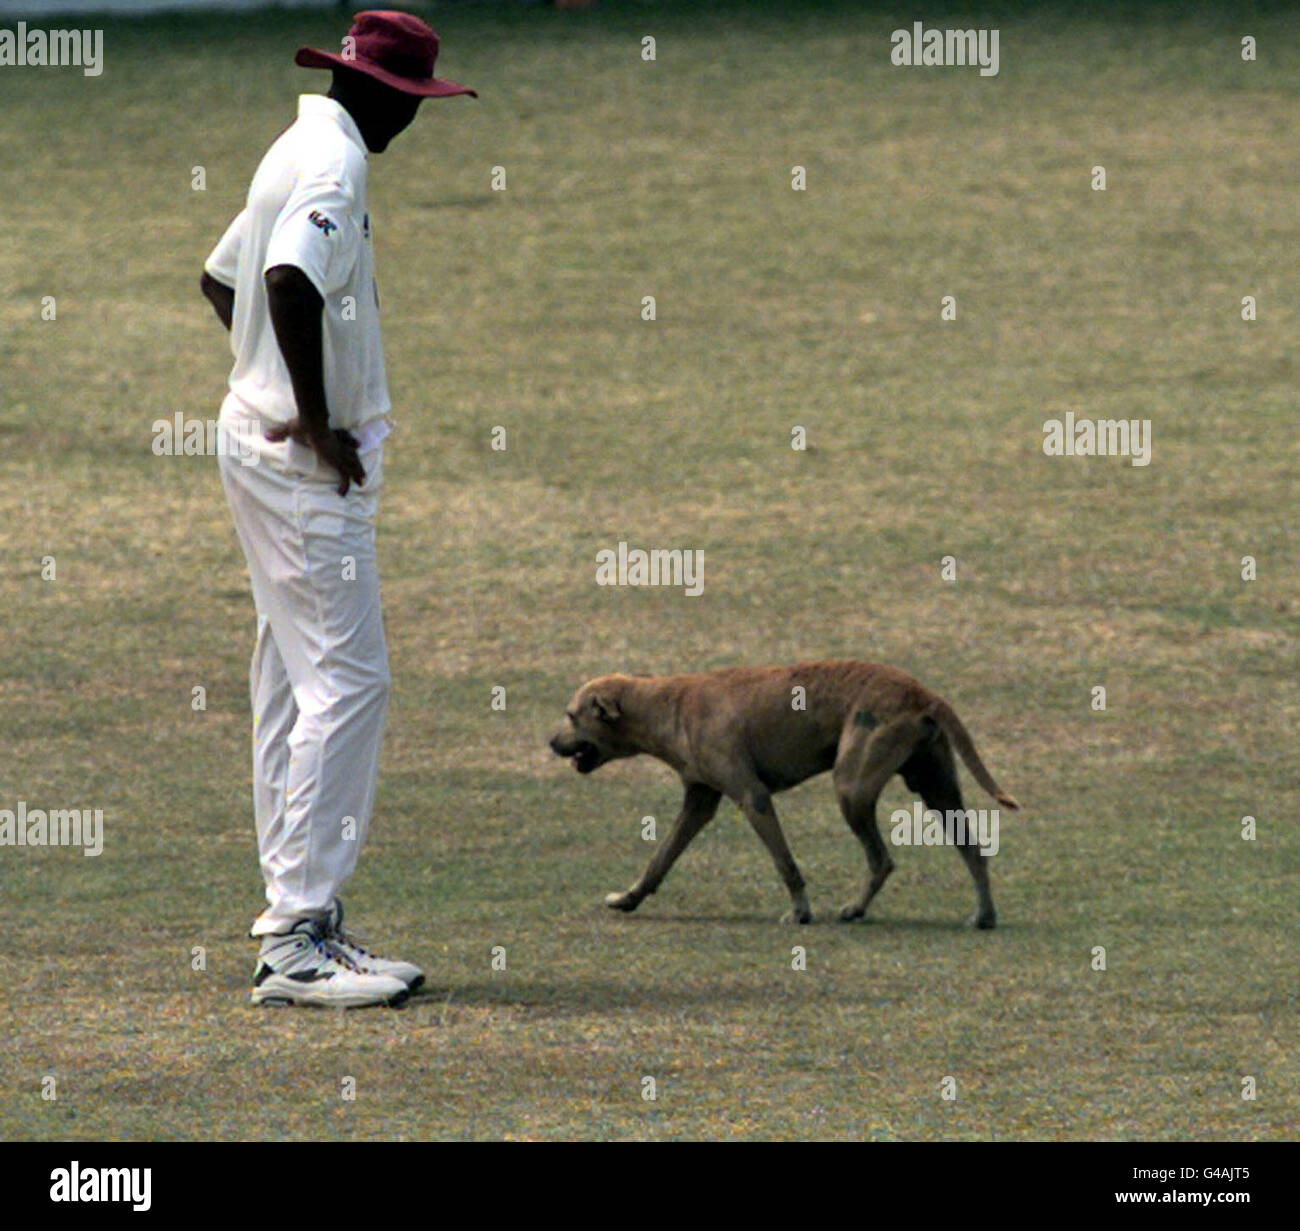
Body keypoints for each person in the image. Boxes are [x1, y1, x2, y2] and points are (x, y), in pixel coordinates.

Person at [200, 11, 476, 1008]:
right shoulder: (335, 164)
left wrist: (264, 378)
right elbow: (281, 280)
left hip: (254, 441)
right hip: (298, 464)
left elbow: (218, 276)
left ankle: (299, 917)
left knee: (291, 673)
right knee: (350, 682)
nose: (415, 119)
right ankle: (297, 939)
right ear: (386, 94)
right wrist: (313, 420)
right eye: (414, 101)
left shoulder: (299, 143)